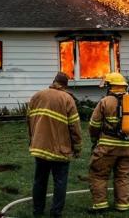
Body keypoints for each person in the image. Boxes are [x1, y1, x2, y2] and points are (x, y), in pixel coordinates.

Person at [27, 72, 82, 217]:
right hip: (60, 149)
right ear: (65, 86)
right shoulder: (67, 99)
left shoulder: (37, 96)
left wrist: (32, 139)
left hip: (40, 147)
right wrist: (77, 147)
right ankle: (56, 213)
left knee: (39, 180)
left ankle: (37, 211)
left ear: (53, 82)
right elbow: (74, 127)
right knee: (60, 181)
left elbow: (29, 121)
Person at [88, 72, 129, 213]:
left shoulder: (105, 102)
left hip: (107, 147)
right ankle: (122, 205)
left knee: (99, 174)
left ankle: (100, 205)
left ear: (110, 87)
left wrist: (95, 140)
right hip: (128, 148)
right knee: (122, 176)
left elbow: (94, 125)